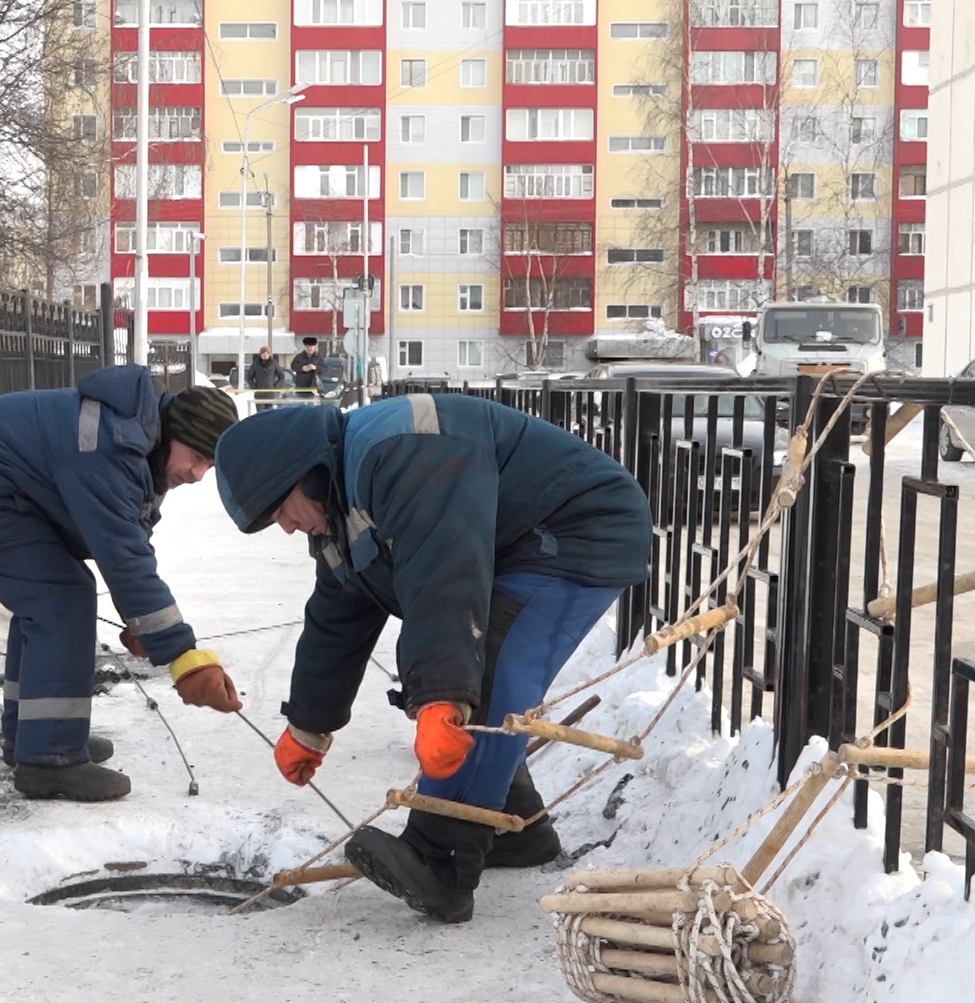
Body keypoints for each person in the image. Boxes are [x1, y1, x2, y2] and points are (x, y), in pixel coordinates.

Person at [214, 392, 651, 922]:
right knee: (470, 669)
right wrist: (310, 724)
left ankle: (441, 859)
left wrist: (444, 695)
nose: (284, 526)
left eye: (280, 510)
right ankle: (515, 823)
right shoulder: (339, 500)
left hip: (576, 529)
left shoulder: (403, 452)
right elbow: (338, 615)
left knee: (490, 668)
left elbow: (444, 577)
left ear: (304, 474)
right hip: (509, 542)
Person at [0, 367, 244, 802]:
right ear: (175, 432)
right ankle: (49, 759)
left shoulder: (141, 444)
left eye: (209, 465)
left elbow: (130, 536)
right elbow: (123, 557)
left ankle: (31, 735)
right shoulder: (111, 446)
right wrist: (184, 657)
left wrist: (145, 624)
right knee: (59, 600)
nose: (199, 474)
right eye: (197, 457)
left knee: (53, 597)